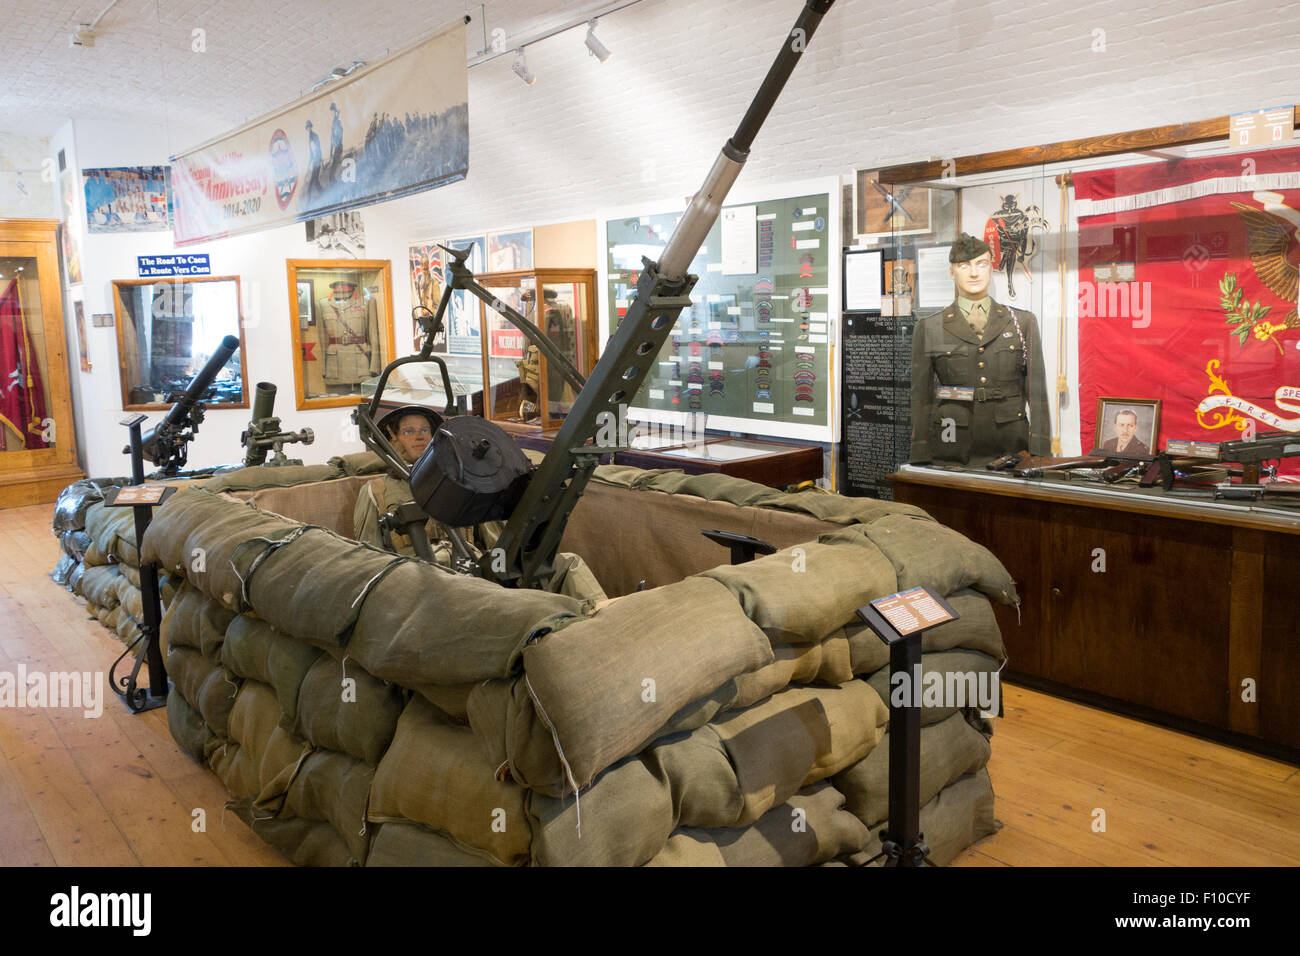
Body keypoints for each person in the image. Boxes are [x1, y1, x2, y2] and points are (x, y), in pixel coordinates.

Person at [910, 232, 1051, 467]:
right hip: (953, 443)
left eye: (981, 264)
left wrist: (1040, 450)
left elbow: (1037, 393)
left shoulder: (1021, 322)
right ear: (951, 272)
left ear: (991, 268)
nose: (974, 273)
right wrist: (920, 452)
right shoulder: (930, 327)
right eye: (964, 266)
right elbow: (920, 397)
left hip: (1012, 444)